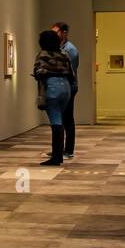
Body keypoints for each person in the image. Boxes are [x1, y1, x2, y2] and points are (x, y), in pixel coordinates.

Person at [33, 29, 76, 166]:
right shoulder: (64, 53)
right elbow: (71, 73)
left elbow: (38, 72)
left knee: (56, 122)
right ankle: (59, 154)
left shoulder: (42, 54)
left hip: (52, 88)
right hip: (66, 88)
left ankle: (56, 156)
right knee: (61, 120)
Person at [53, 20, 80, 158]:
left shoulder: (70, 50)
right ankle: (59, 149)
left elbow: (70, 72)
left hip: (69, 87)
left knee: (68, 119)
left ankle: (68, 150)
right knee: (61, 118)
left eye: (55, 32)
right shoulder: (58, 48)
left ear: (64, 33)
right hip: (62, 87)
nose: (53, 34)